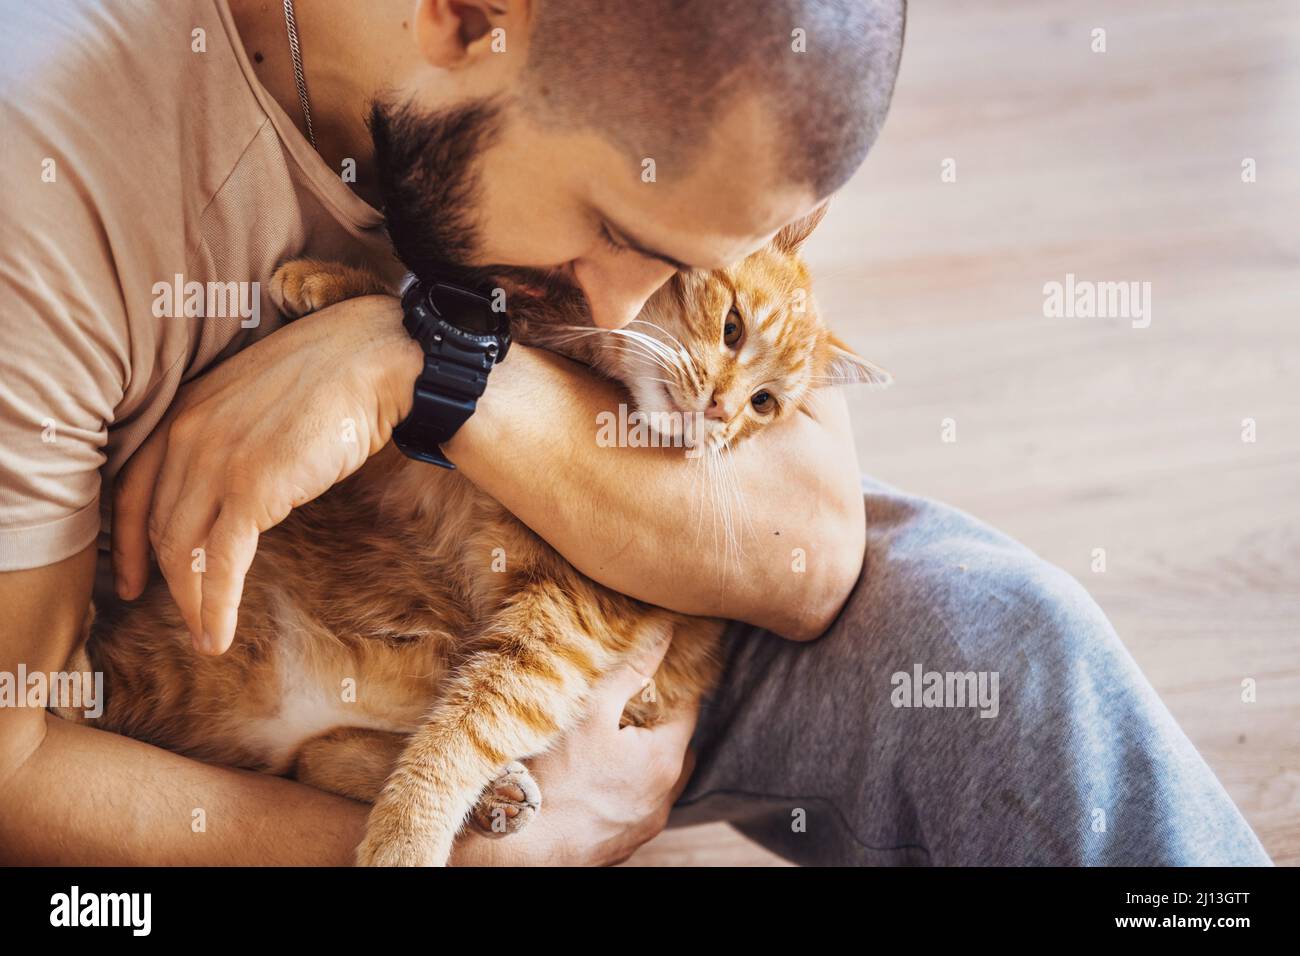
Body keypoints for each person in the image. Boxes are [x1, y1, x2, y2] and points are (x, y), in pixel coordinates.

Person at [0, 0, 1268, 866]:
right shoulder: (48, 171)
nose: (624, 307)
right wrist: (459, 843)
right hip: (244, 707)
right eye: (617, 236)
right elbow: (11, 764)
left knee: (1004, 636)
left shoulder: (687, 93)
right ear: (461, 11)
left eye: (677, 268)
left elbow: (806, 544)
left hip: (585, 620)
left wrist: (431, 370)